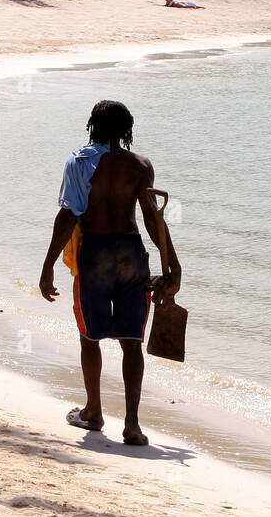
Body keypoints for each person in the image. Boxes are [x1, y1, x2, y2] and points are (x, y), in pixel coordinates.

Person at [39, 101, 180, 446]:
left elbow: (68, 216)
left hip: (97, 252)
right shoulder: (140, 166)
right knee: (132, 342)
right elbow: (152, 219)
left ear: (92, 126)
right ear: (127, 130)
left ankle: (93, 411)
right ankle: (132, 424)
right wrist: (173, 264)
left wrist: (47, 266)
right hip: (131, 252)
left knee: (91, 337)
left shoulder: (80, 161)